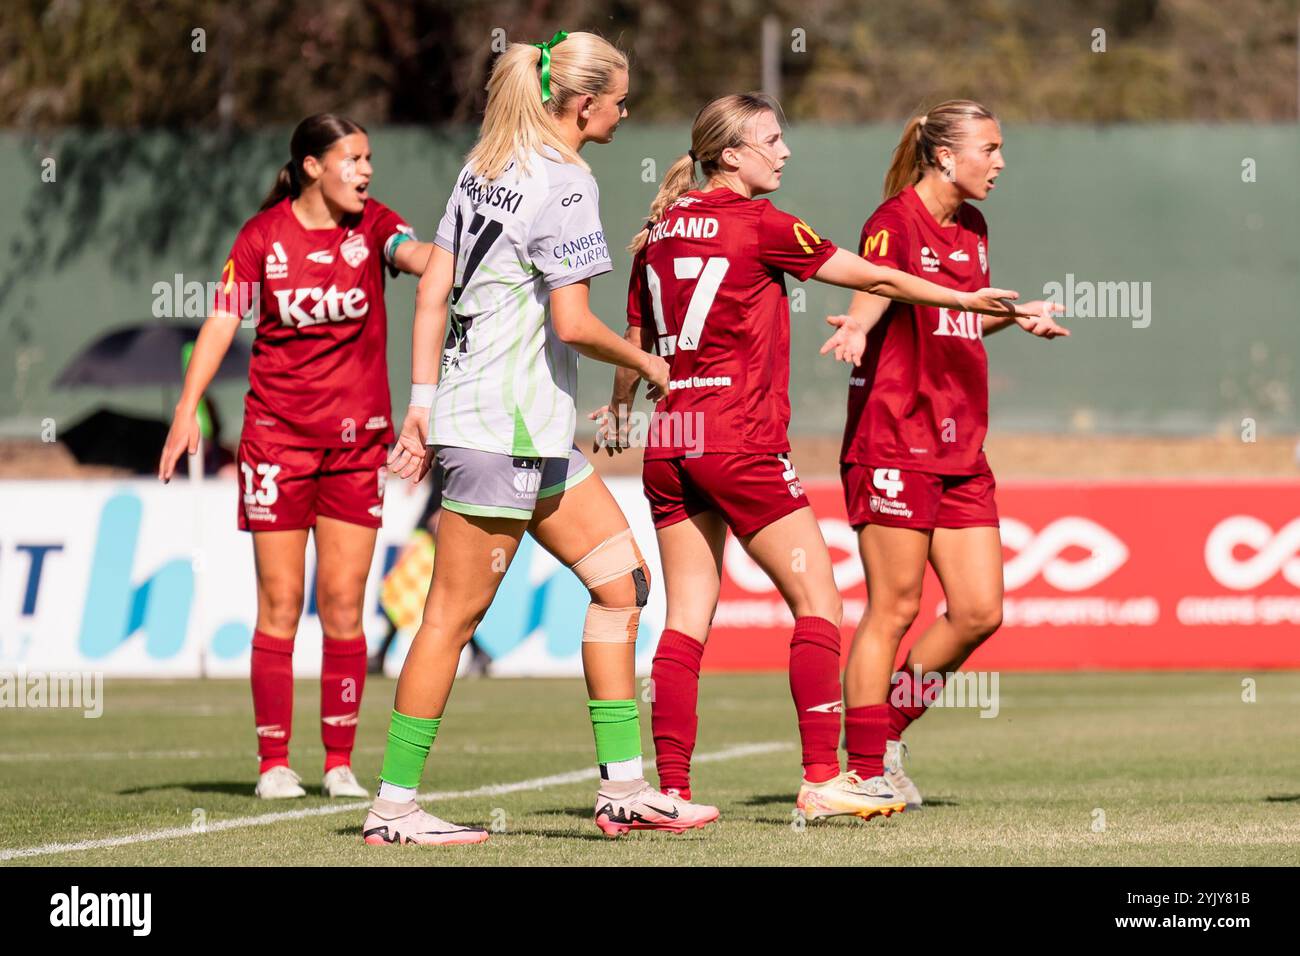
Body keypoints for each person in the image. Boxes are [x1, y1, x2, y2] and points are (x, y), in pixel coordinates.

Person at [597, 92, 1060, 822]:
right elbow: (876, 280)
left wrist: (623, 405)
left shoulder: (658, 231)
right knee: (821, 604)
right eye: (771, 141)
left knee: (686, 620)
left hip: (672, 438)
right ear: (731, 155)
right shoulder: (762, 223)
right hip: (741, 437)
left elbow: (634, 329)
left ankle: (672, 791)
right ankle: (826, 776)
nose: (784, 153)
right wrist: (963, 301)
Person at [362, 30, 719, 847]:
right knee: (450, 618)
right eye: (620, 100)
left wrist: (421, 404)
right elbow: (572, 320)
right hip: (508, 431)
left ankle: (624, 790)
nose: (626, 112)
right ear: (583, 102)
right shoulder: (564, 182)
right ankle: (392, 808)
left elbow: (431, 295)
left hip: (515, 428)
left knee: (621, 582)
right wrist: (647, 362)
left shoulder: (483, 165)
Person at [159, 113, 438, 800]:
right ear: (313, 166)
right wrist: (183, 411)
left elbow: (416, 256)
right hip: (276, 442)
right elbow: (223, 318)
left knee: (344, 607)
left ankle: (338, 761)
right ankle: (273, 764)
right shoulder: (262, 238)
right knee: (280, 606)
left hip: (356, 446)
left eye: (370, 158)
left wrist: (466, 254)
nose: (366, 171)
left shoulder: (374, 226)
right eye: (353, 159)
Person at [831, 99, 1067, 810]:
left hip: (961, 446)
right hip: (894, 442)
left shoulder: (973, 228)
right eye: (988, 149)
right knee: (895, 607)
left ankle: (888, 730)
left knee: (978, 612)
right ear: (944, 156)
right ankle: (862, 768)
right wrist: (856, 331)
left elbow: (950, 325)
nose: (999, 162)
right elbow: (874, 291)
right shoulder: (891, 222)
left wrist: (1013, 317)